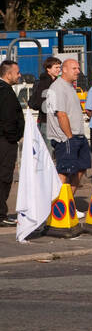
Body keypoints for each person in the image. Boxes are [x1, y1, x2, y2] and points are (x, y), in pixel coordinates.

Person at [47, 58, 90, 200]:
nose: (78, 71)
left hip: (78, 135)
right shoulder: (57, 87)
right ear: (64, 70)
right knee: (65, 171)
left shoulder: (70, 86)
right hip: (65, 137)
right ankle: (57, 207)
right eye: (74, 68)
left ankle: (68, 203)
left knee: (81, 168)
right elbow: (61, 114)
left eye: (78, 68)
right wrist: (69, 137)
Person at [0, 60, 21, 226]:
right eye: (17, 72)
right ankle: (1, 215)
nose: (19, 75)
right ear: (8, 74)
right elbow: (8, 119)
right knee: (4, 177)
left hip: (5, 140)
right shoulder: (6, 92)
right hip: (5, 142)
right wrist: (13, 137)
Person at [29, 56, 60, 141]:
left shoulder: (55, 82)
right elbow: (41, 103)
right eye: (56, 67)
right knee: (48, 151)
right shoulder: (45, 83)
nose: (58, 69)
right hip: (46, 122)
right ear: (48, 69)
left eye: (59, 67)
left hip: (51, 121)